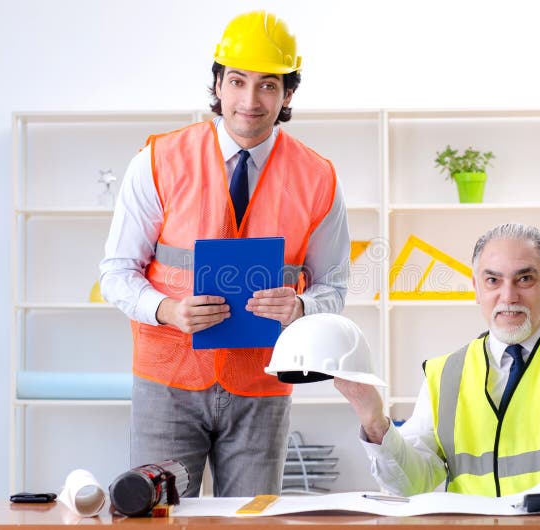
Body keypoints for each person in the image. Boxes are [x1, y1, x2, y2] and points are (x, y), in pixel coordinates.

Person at [99, 10, 349, 497]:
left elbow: (335, 286)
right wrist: (167, 309)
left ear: (288, 94)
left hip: (262, 387)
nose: (249, 101)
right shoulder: (158, 160)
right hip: (167, 382)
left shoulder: (318, 177)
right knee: (156, 518)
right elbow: (116, 272)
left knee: (253, 522)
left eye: (267, 85)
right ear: (218, 84)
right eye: (236, 81)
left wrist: (301, 307)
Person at [335, 223, 540, 501]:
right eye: (493, 280)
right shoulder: (446, 374)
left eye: (525, 279)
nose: (508, 296)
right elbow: (408, 484)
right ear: (476, 288)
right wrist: (374, 420)